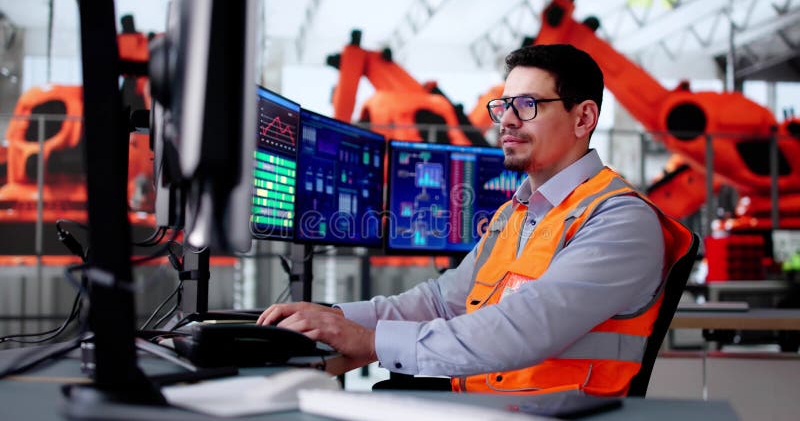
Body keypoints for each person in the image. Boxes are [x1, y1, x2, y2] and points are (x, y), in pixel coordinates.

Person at [258, 44, 692, 396]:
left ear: (584, 118)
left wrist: (371, 343)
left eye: (527, 105)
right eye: (503, 105)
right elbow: (441, 301)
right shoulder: (515, 214)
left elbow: (522, 329)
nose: (505, 120)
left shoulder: (619, 221)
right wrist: (334, 319)